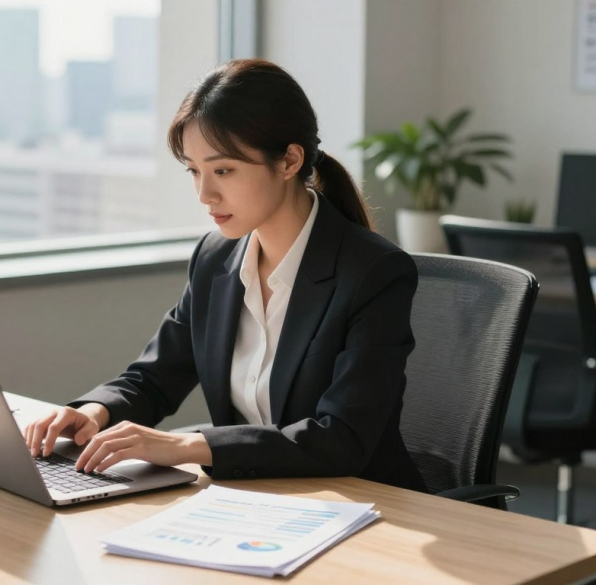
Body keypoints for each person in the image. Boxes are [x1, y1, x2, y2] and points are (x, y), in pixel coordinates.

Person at [24, 58, 428, 493]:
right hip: (255, 501)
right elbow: (156, 377)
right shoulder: (216, 257)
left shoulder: (373, 273)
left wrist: (186, 446)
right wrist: (93, 411)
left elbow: (342, 439)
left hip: (365, 505)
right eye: (194, 171)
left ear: (289, 160)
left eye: (223, 170)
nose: (204, 194)